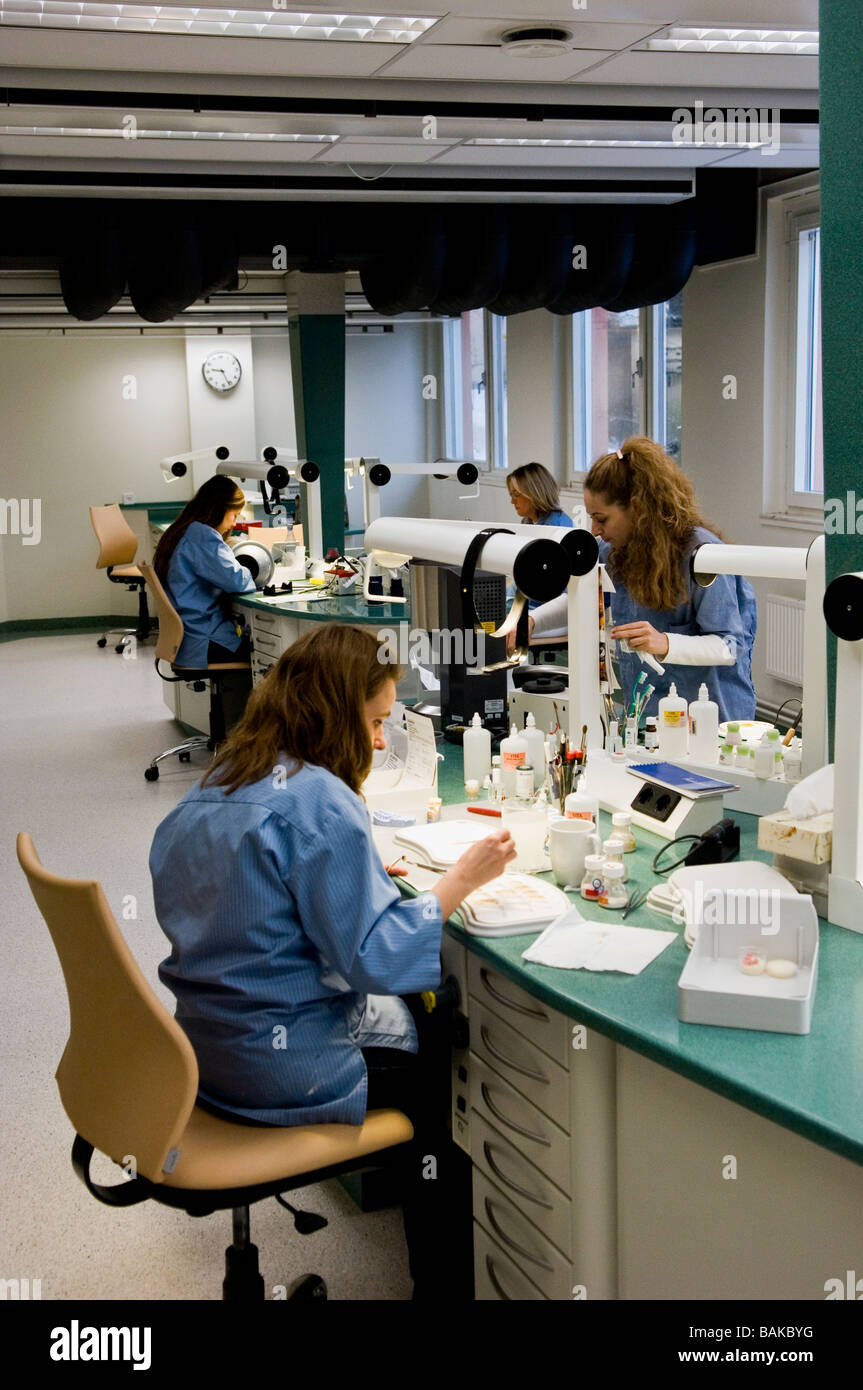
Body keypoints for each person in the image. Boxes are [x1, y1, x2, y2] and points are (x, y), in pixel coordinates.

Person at [149, 623, 515, 1296]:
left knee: (414, 1013)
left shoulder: (216, 785)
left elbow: (260, 916)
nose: (379, 741)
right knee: (448, 1083)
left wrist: (358, 878)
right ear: (336, 711)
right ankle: (444, 1287)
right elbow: (377, 959)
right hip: (281, 1068)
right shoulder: (322, 801)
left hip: (204, 1057)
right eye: (376, 721)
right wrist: (460, 881)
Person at [521, 437, 757, 721]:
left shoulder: (702, 557)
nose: (594, 530)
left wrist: (665, 643)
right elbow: (585, 597)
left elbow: (729, 645)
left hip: (710, 716)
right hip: (649, 712)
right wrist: (534, 621)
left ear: (638, 509)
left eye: (602, 518)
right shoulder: (613, 551)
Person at [153, 474, 256, 728]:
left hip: (185, 639)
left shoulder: (181, 530)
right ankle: (244, 738)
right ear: (220, 509)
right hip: (203, 640)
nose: (233, 524)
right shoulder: (204, 536)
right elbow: (238, 581)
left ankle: (233, 733)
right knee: (276, 658)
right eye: (233, 516)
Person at [507, 461, 573, 530]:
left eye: (516, 494)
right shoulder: (527, 521)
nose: (512, 501)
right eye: (511, 495)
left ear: (534, 493)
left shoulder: (560, 526)